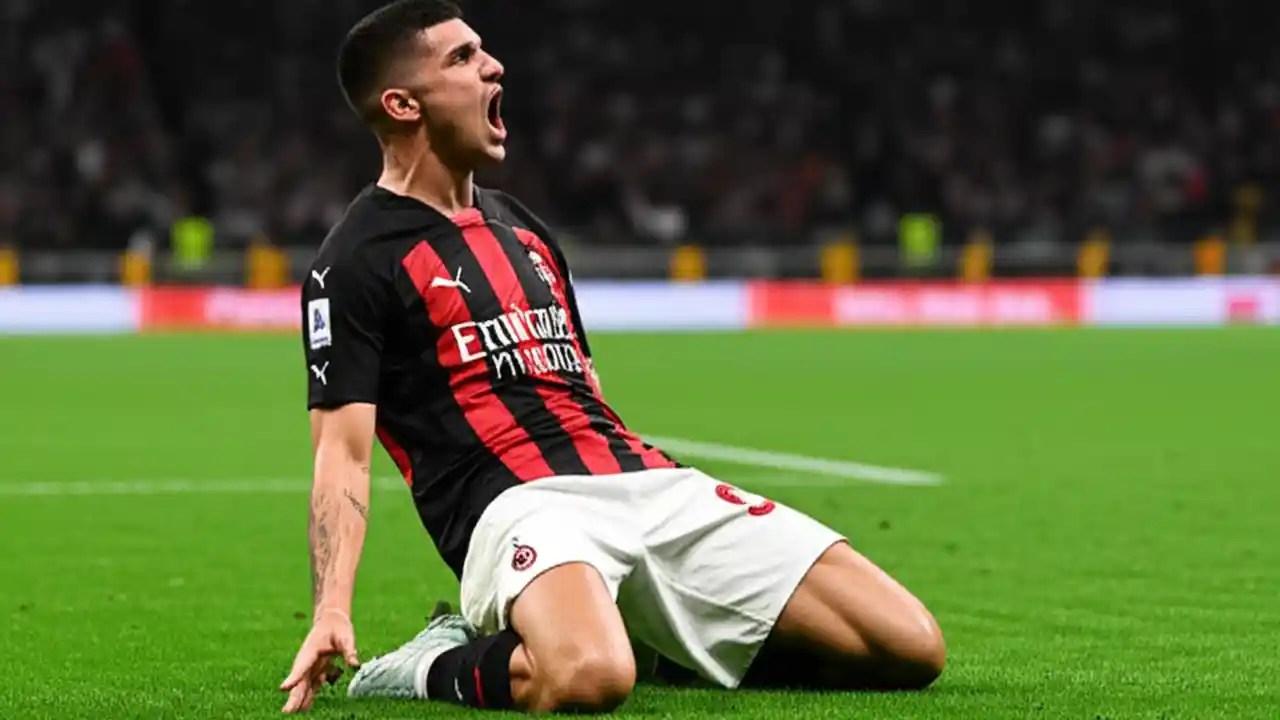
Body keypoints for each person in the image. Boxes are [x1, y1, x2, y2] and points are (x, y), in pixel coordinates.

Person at [279, 0, 945, 713]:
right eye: (462, 58)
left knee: (907, 646)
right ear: (403, 103)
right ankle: (432, 661)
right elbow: (342, 456)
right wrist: (331, 607)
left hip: (646, 483)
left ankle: (641, 630)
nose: (492, 65)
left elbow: (584, 385)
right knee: (590, 678)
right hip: (519, 506)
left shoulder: (525, 230)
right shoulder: (354, 260)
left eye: (483, 50)